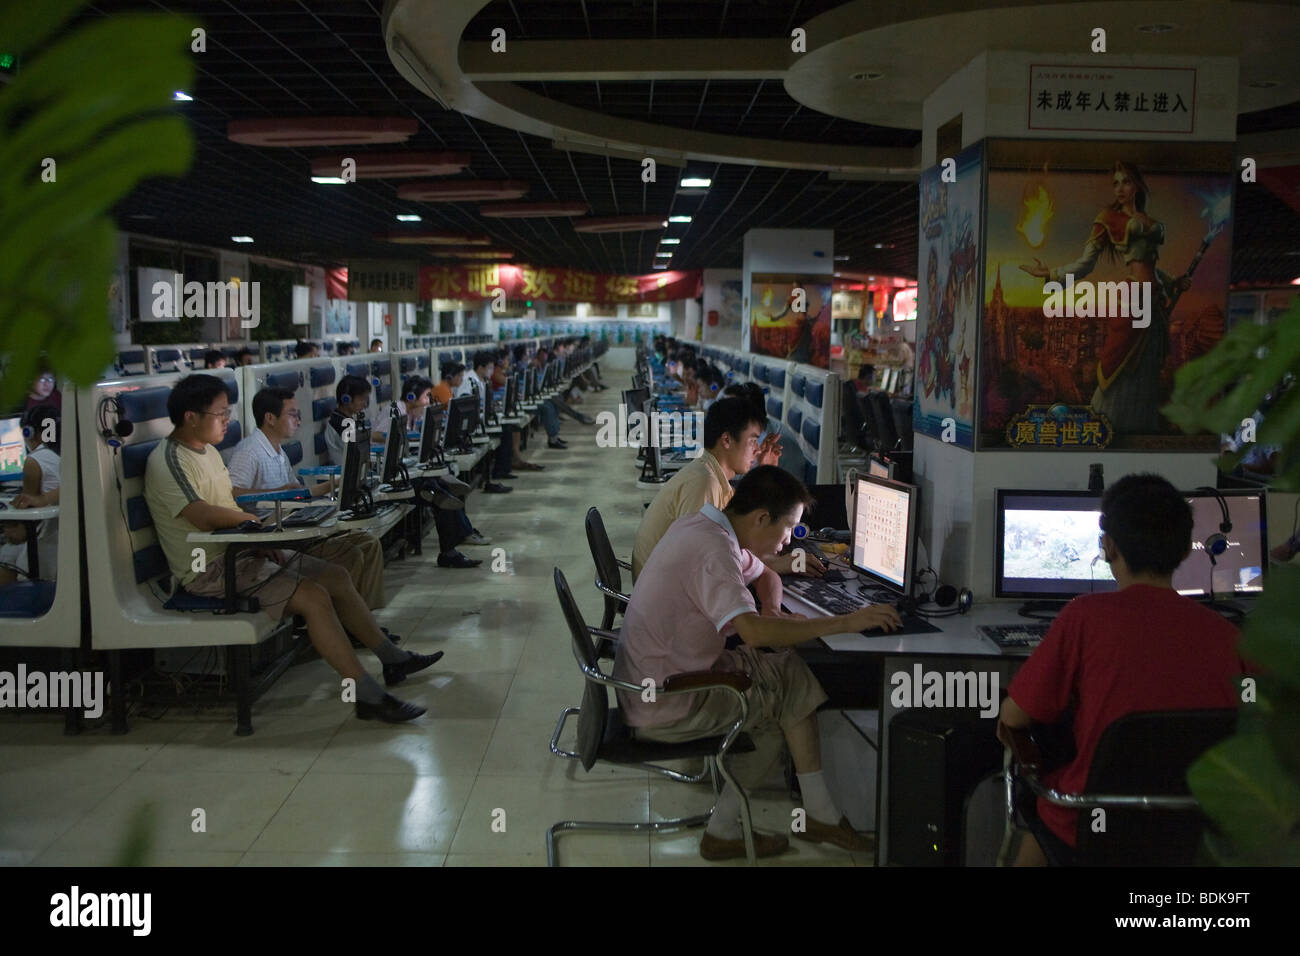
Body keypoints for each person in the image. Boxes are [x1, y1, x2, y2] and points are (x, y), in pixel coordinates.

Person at [614, 466, 901, 860]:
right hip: (667, 702)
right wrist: (847, 622)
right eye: (788, 529)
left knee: (787, 670)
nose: (788, 543)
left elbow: (766, 575)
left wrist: (771, 608)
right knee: (773, 708)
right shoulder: (713, 551)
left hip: (662, 679)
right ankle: (724, 831)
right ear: (761, 518)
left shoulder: (707, 528)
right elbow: (755, 634)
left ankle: (820, 816)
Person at [144, 375, 439, 722]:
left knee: (336, 575)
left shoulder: (207, 452)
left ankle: (392, 658)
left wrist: (255, 539)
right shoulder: (169, 460)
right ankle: (367, 696)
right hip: (209, 570)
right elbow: (202, 515)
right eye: (220, 413)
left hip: (239, 553)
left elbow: (227, 505)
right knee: (313, 597)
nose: (227, 420)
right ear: (191, 416)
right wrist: (252, 527)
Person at [997, 473, 1243, 865]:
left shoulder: (1084, 618)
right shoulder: (1230, 636)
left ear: (1108, 546)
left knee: (1041, 803)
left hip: (1094, 819)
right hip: (1192, 828)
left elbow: (1015, 715)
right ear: (1184, 551)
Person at [1020, 162, 1192, 435]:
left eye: (1125, 182)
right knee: (1121, 363)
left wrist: (1174, 282)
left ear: (1136, 184)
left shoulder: (1147, 220)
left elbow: (1151, 265)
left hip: (1154, 298)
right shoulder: (1108, 219)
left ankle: (1140, 428)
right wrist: (1051, 273)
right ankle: (1111, 425)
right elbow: (1086, 264)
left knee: (1148, 368)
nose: (1120, 188)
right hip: (1133, 297)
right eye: (1116, 183)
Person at [228, 387, 389, 616]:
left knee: (369, 543)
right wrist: (280, 490)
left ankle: (366, 620)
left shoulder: (277, 451)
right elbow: (233, 493)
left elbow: (297, 493)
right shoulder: (250, 450)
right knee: (351, 553)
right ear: (270, 418)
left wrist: (335, 484)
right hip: (276, 537)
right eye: (292, 414)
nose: (299, 420)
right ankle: (345, 623)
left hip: (293, 525)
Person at [631, 397, 805, 581]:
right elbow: (705, 564)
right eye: (753, 441)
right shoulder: (704, 483)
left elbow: (742, 531)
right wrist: (776, 564)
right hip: (663, 595)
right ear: (727, 440)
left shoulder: (712, 475)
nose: (757, 449)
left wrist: (764, 471)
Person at [393, 375, 492, 567]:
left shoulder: (413, 412)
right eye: (427, 396)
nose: (429, 400)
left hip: (406, 469)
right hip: (394, 477)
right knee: (438, 491)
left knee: (438, 488)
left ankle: (453, 541)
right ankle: (453, 545)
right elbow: (380, 436)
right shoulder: (397, 409)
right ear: (411, 396)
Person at [13, 404, 61, 578]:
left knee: (7, 553)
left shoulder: (34, 462)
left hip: (45, 551)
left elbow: (22, 531)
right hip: (63, 546)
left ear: (29, 433)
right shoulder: (69, 452)